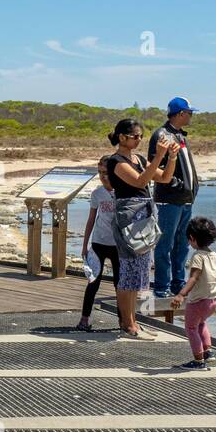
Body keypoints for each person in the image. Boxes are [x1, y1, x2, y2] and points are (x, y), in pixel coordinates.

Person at [106, 119, 179, 340]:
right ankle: (128, 324)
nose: (139, 140)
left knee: (140, 271)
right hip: (129, 217)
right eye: (135, 136)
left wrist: (172, 157)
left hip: (144, 216)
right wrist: (158, 156)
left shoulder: (137, 158)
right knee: (129, 271)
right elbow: (139, 182)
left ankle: (133, 322)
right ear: (122, 138)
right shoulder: (116, 161)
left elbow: (164, 177)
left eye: (140, 136)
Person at [149, 96, 201, 298]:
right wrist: (178, 186)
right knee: (165, 244)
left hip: (185, 199)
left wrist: (192, 188)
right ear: (180, 113)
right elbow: (156, 168)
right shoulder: (162, 135)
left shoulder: (179, 135)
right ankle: (161, 286)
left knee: (181, 244)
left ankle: (178, 284)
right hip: (170, 200)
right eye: (190, 112)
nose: (191, 116)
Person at [169, 217, 216, 369]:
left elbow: (193, 278)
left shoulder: (198, 256)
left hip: (198, 302)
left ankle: (198, 360)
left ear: (192, 238)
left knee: (191, 328)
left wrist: (181, 294)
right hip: (213, 301)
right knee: (201, 323)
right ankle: (208, 352)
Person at [75, 154, 120, 331]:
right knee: (93, 282)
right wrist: (85, 244)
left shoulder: (122, 191)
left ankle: (123, 321)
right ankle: (84, 320)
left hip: (118, 245)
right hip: (99, 243)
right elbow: (91, 219)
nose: (103, 176)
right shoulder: (97, 193)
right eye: (100, 172)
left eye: (106, 172)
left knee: (120, 285)